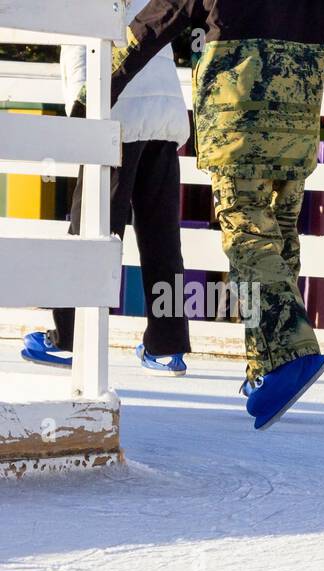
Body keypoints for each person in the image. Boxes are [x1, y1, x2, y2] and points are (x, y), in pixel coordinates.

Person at [105, 0, 324, 429]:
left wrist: (102, 85)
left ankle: (292, 351)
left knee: (248, 236)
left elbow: (152, 26)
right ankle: (264, 366)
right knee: (279, 237)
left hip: (237, 118)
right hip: (295, 120)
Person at [21, 0, 193, 376]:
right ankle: (167, 346)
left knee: (92, 232)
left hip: (114, 114)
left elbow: (85, 49)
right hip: (163, 116)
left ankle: (68, 339)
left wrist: (83, 113)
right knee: (162, 238)